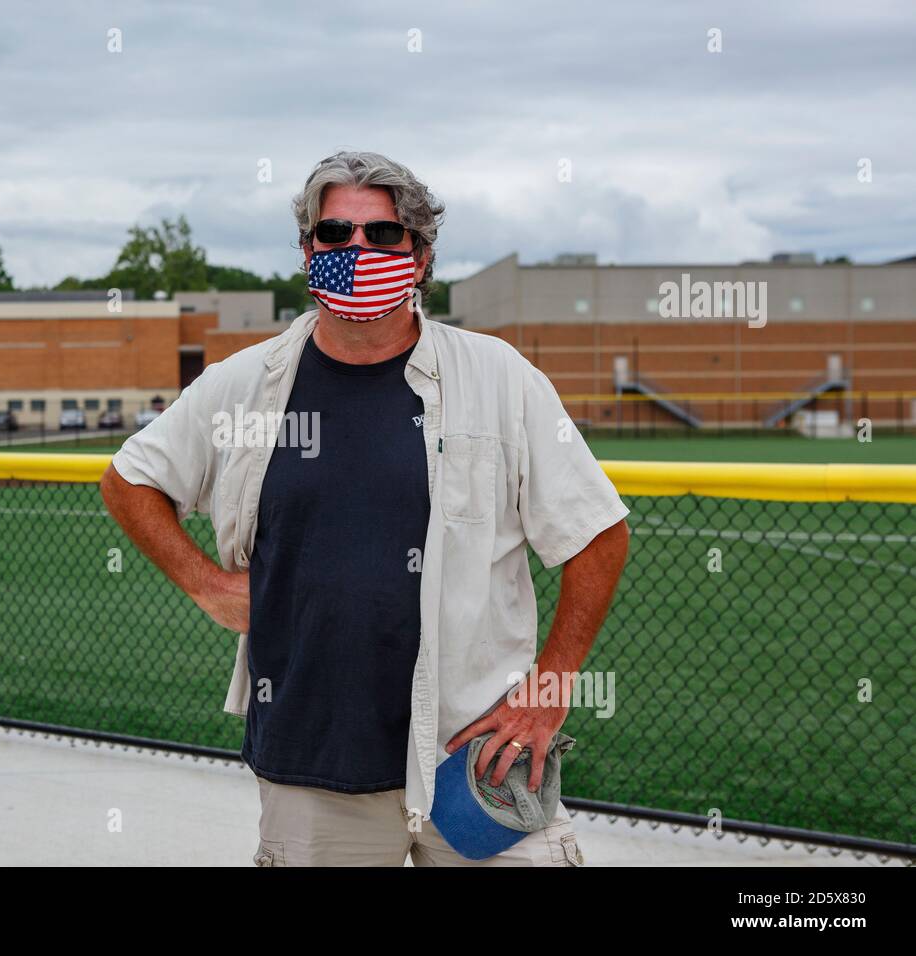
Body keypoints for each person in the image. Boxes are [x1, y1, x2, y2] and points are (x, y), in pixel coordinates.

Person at [101, 150, 629, 866]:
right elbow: (130, 478)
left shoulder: (497, 378)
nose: (356, 250)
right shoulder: (248, 387)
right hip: (313, 762)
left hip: (473, 756)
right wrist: (208, 584)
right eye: (334, 234)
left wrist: (550, 686)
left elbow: (597, 531)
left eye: (382, 235)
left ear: (420, 255)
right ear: (307, 250)